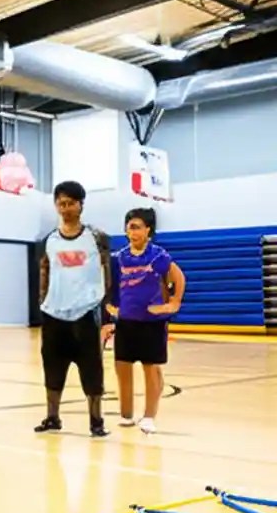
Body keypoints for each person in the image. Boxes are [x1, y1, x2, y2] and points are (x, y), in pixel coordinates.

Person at [35, 180, 112, 438]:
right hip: (54, 315)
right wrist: (43, 302)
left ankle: (96, 421)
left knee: (92, 368)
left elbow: (107, 271)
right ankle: (52, 417)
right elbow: (44, 271)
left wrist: (105, 303)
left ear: (81, 205)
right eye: (61, 203)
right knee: (53, 366)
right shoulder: (49, 240)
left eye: (70, 203)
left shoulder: (96, 237)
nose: (65, 208)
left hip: (86, 313)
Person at [102, 207, 185, 434]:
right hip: (127, 321)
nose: (133, 231)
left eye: (138, 227)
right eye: (130, 227)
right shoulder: (119, 259)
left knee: (151, 369)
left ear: (148, 230)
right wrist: (110, 311)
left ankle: (149, 416)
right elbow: (110, 287)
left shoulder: (158, 256)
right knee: (122, 367)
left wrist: (173, 303)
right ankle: (126, 414)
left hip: (152, 322)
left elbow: (178, 277)